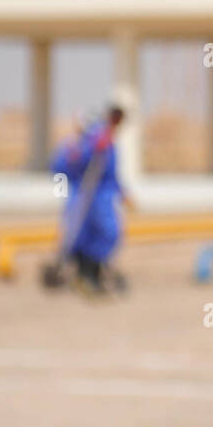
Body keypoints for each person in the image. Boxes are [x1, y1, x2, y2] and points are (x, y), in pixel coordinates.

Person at [47, 101, 134, 294]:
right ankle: (83, 276)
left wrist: (122, 193)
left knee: (108, 234)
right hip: (82, 196)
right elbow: (59, 168)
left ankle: (92, 273)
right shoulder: (81, 144)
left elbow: (111, 175)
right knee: (78, 237)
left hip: (101, 197)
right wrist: (79, 154)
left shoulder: (108, 144)